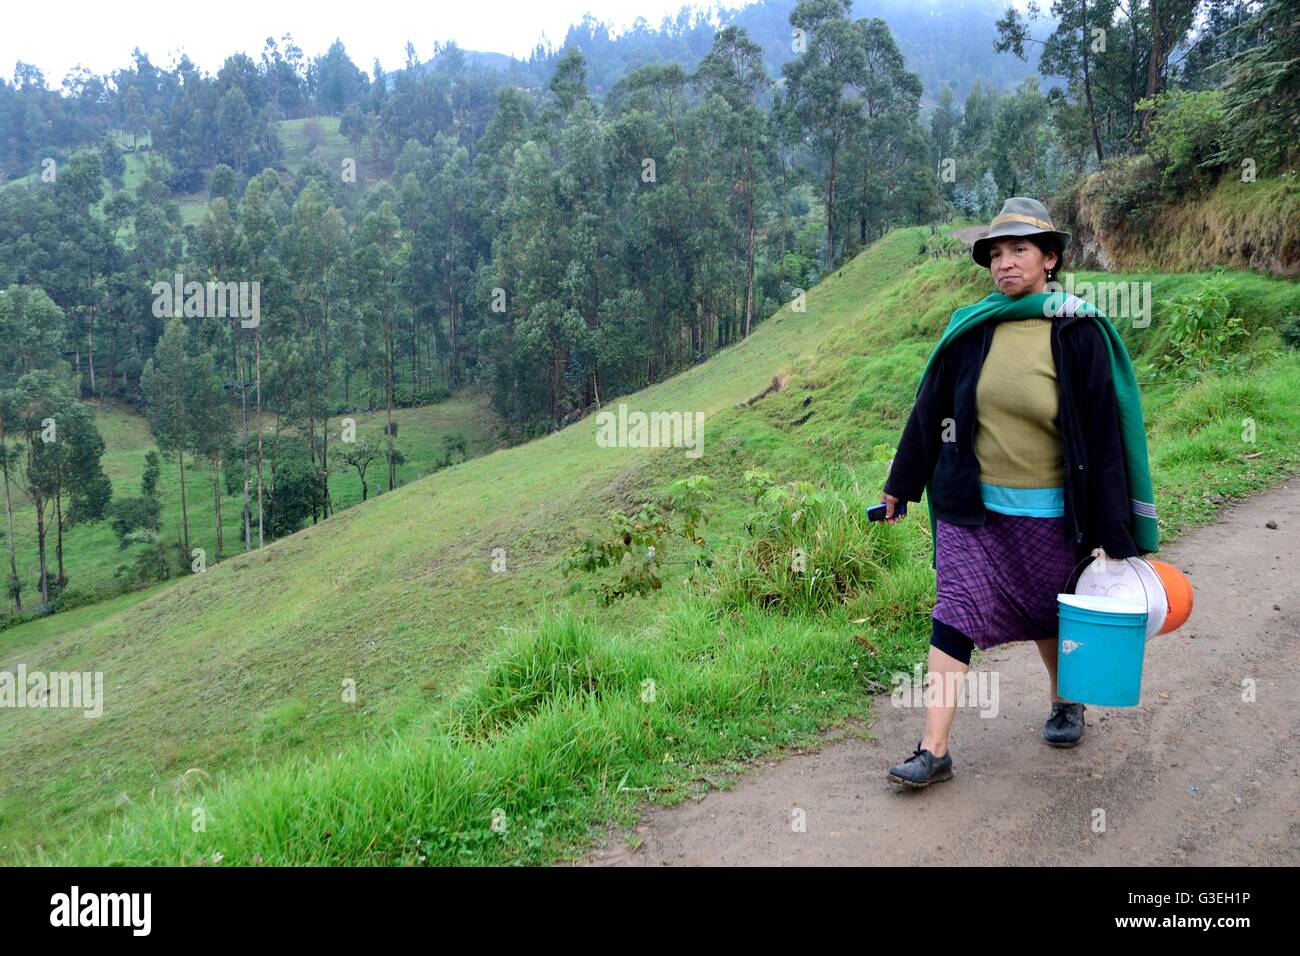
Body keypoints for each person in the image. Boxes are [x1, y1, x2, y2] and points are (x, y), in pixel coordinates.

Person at [879, 197, 1151, 787]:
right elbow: (930, 413)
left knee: (1049, 611)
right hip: (969, 509)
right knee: (953, 612)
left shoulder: (1077, 331)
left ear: (1049, 258)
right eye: (996, 254)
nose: (1005, 264)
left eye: (1018, 250)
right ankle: (934, 749)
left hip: (1053, 512)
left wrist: (1112, 533)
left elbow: (1103, 436)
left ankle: (1065, 700)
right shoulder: (972, 328)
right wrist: (900, 486)